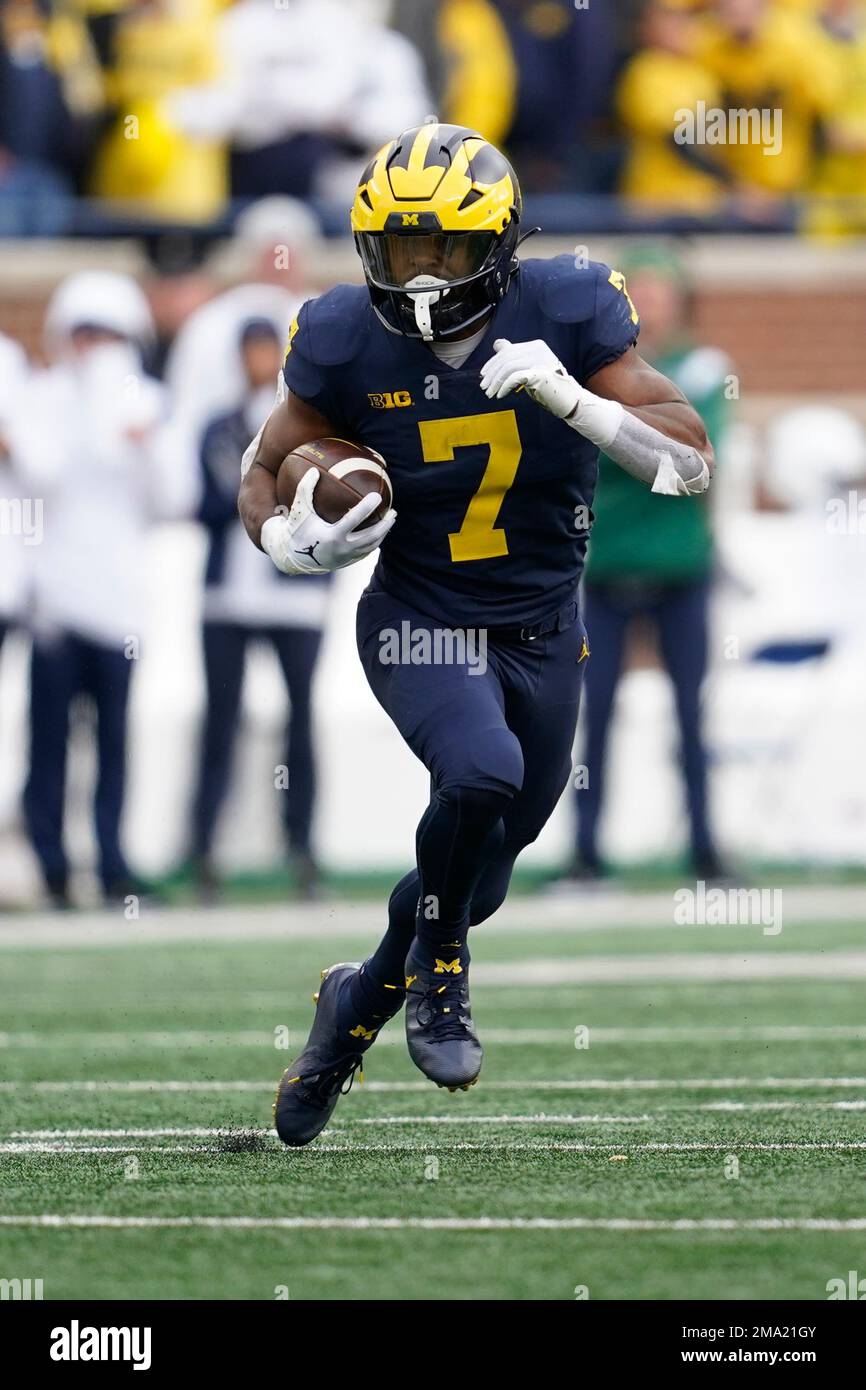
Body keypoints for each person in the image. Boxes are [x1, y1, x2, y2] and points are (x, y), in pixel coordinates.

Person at [237, 120, 714, 1146]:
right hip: (422, 616)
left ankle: (354, 1004)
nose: (417, 274)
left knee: (486, 859)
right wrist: (282, 538)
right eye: (398, 248)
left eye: (442, 249)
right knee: (480, 772)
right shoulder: (338, 334)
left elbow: (686, 464)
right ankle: (438, 976)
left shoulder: (570, 308)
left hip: (544, 629)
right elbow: (262, 459)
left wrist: (570, 399)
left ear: (494, 244)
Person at [5, 271, 192, 907]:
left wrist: (146, 442)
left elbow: (175, 498)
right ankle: (52, 866)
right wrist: (85, 413)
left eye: (108, 334)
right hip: (55, 601)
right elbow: (39, 477)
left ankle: (112, 863)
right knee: (49, 744)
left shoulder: (147, 402)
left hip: (119, 604)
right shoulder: (46, 395)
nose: (97, 347)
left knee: (114, 743)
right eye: (86, 333)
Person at [562, 245, 731, 884]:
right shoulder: (596, 374)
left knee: (690, 716)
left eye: (663, 289)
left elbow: (689, 464)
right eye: (645, 291)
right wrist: (635, 440)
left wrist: (622, 437)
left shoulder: (706, 368)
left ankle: (705, 850)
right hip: (605, 568)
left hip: (680, 566)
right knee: (593, 715)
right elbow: (598, 457)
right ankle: (585, 854)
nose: (654, 303)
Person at [187, 318, 331, 899]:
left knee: (300, 717)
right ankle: (203, 849)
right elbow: (218, 499)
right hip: (228, 596)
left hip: (295, 595)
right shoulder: (222, 426)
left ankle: (301, 847)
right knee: (220, 717)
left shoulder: (314, 429)